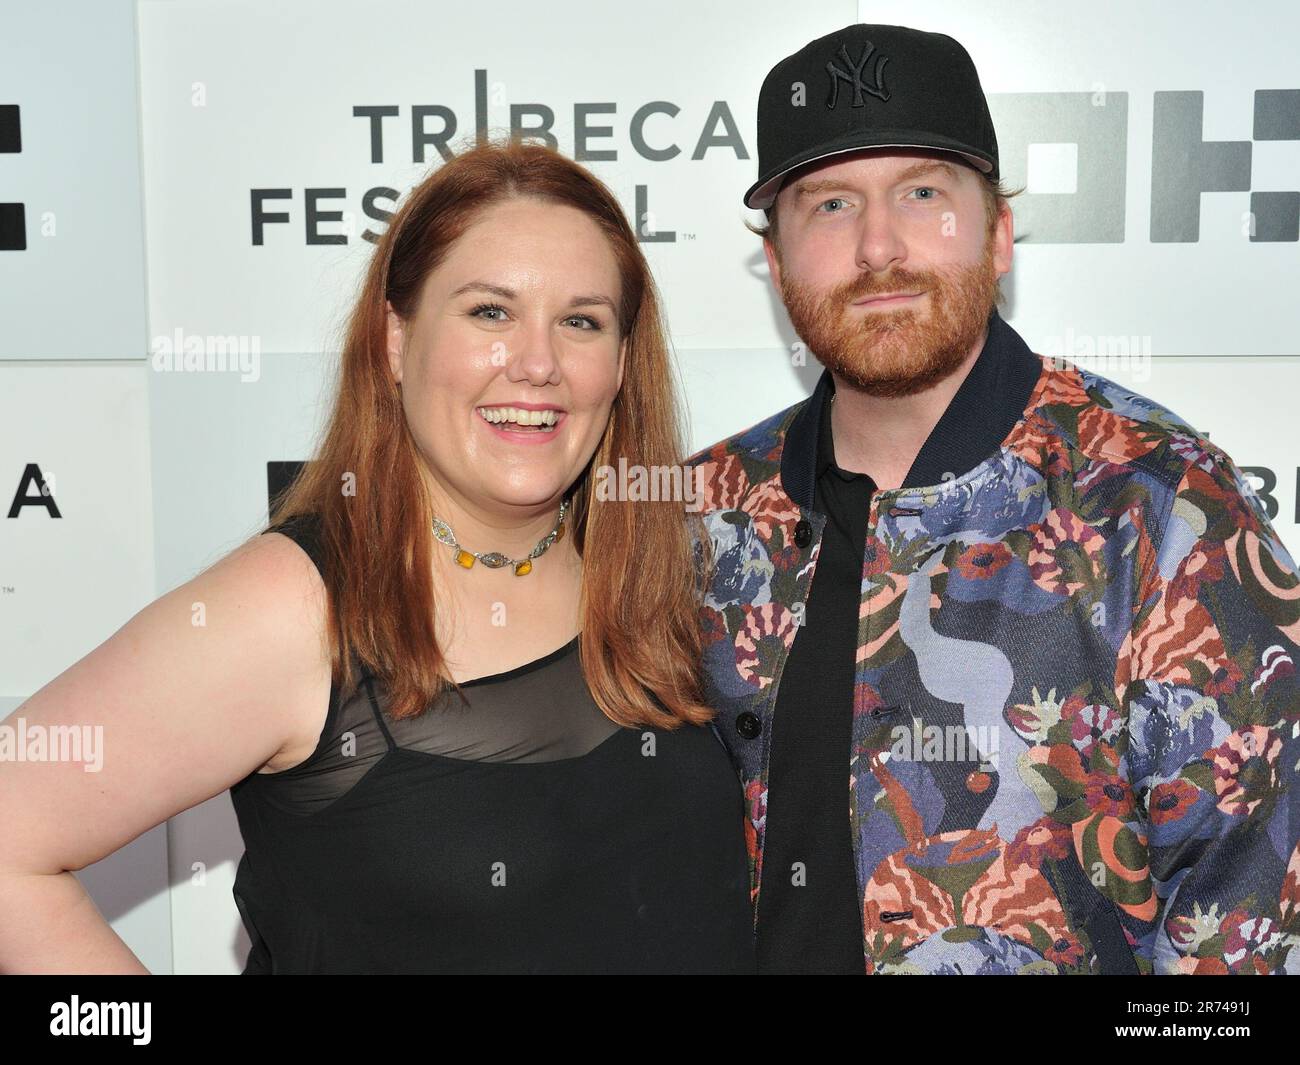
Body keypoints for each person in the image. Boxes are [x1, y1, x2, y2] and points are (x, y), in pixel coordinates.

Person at [0, 137, 755, 975]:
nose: (538, 363)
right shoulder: (295, 608)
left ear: (620, 362)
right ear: (396, 341)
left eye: (581, 321)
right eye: (489, 312)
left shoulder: (668, 571)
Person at [689, 22, 1300, 974]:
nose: (878, 246)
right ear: (776, 260)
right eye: (831, 204)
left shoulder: (1161, 506)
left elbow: (1252, 954)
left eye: (923, 193)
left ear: (1000, 233)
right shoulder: (702, 516)